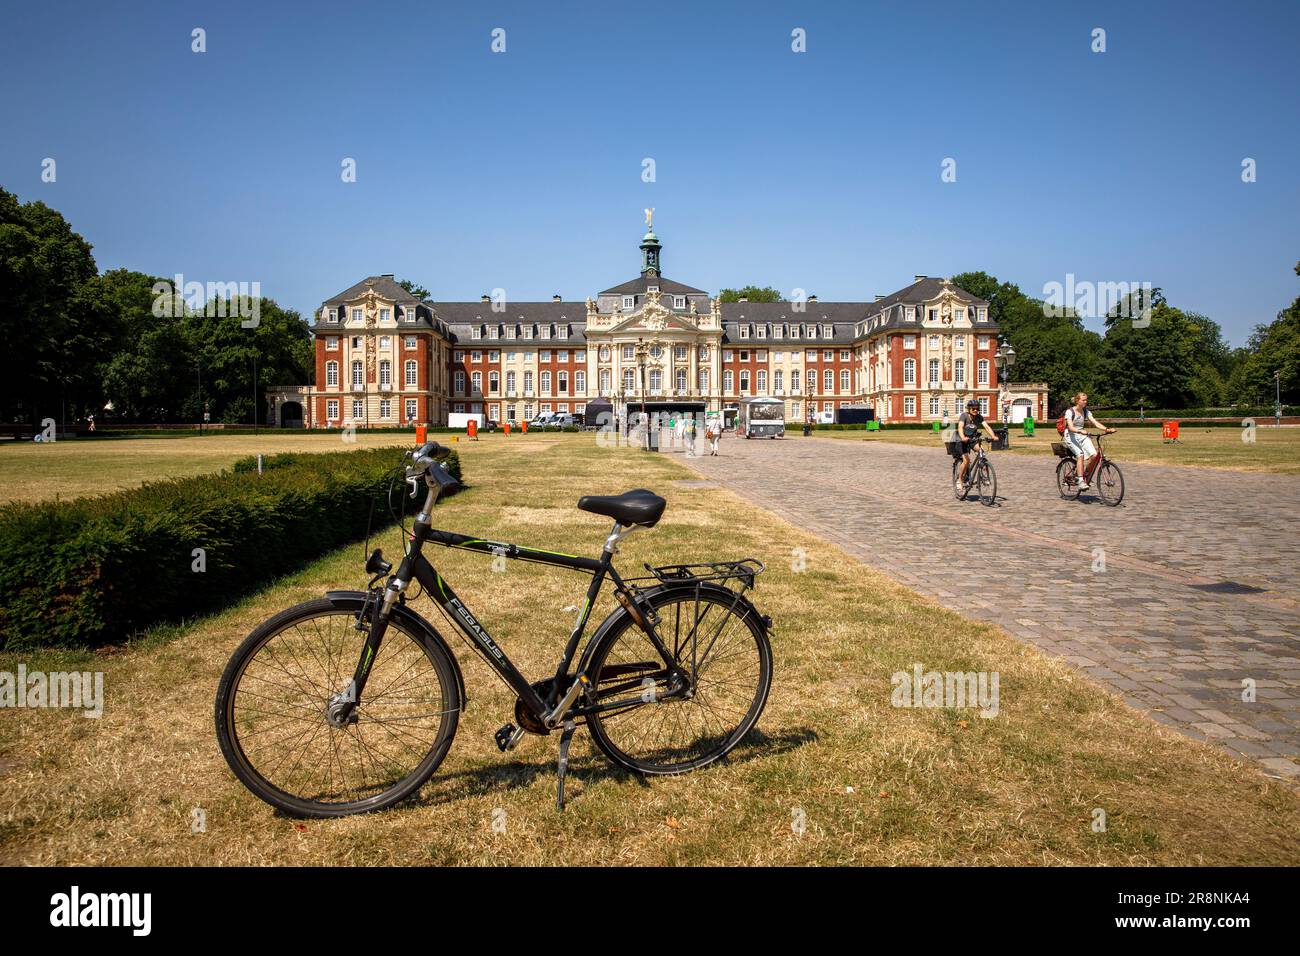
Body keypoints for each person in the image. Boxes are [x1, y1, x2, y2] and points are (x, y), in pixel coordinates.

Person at [1062, 392, 1115, 491]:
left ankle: (1086, 474)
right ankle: (1081, 481)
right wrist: (1079, 430)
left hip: (1082, 435)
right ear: (1077, 401)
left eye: (1086, 400)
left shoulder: (1086, 411)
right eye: (1083, 400)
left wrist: (1106, 429)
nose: (1085, 402)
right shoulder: (1070, 411)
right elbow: (1070, 426)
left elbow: (1095, 422)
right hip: (1071, 435)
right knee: (1080, 455)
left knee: (1094, 455)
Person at [955, 399, 998, 491]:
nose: (975, 410)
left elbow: (986, 426)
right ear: (969, 409)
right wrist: (963, 437)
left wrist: (993, 436)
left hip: (972, 440)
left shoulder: (979, 417)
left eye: (977, 409)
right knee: (966, 461)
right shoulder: (964, 416)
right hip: (961, 441)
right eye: (973, 408)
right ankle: (960, 480)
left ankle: (984, 476)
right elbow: (960, 427)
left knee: (982, 453)